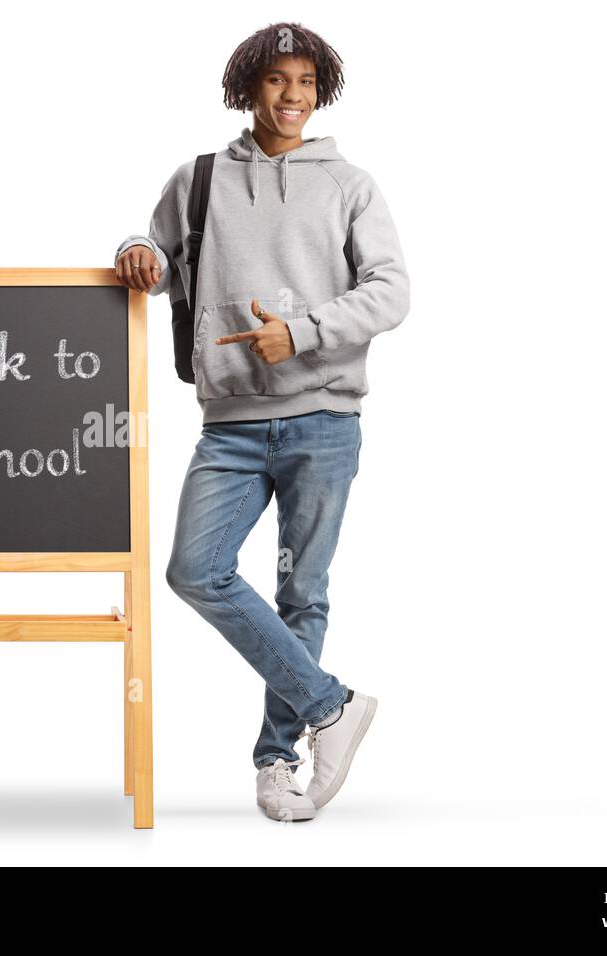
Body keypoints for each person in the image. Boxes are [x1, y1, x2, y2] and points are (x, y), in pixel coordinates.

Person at [113, 21, 410, 821]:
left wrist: (303, 332)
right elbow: (156, 251)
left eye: (307, 82)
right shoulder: (201, 178)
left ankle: (279, 764)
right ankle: (333, 707)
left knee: (300, 593)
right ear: (248, 87)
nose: (293, 96)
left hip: (323, 420)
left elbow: (391, 291)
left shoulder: (350, 185)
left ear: (322, 92)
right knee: (194, 570)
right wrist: (137, 248)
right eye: (278, 80)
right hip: (232, 426)